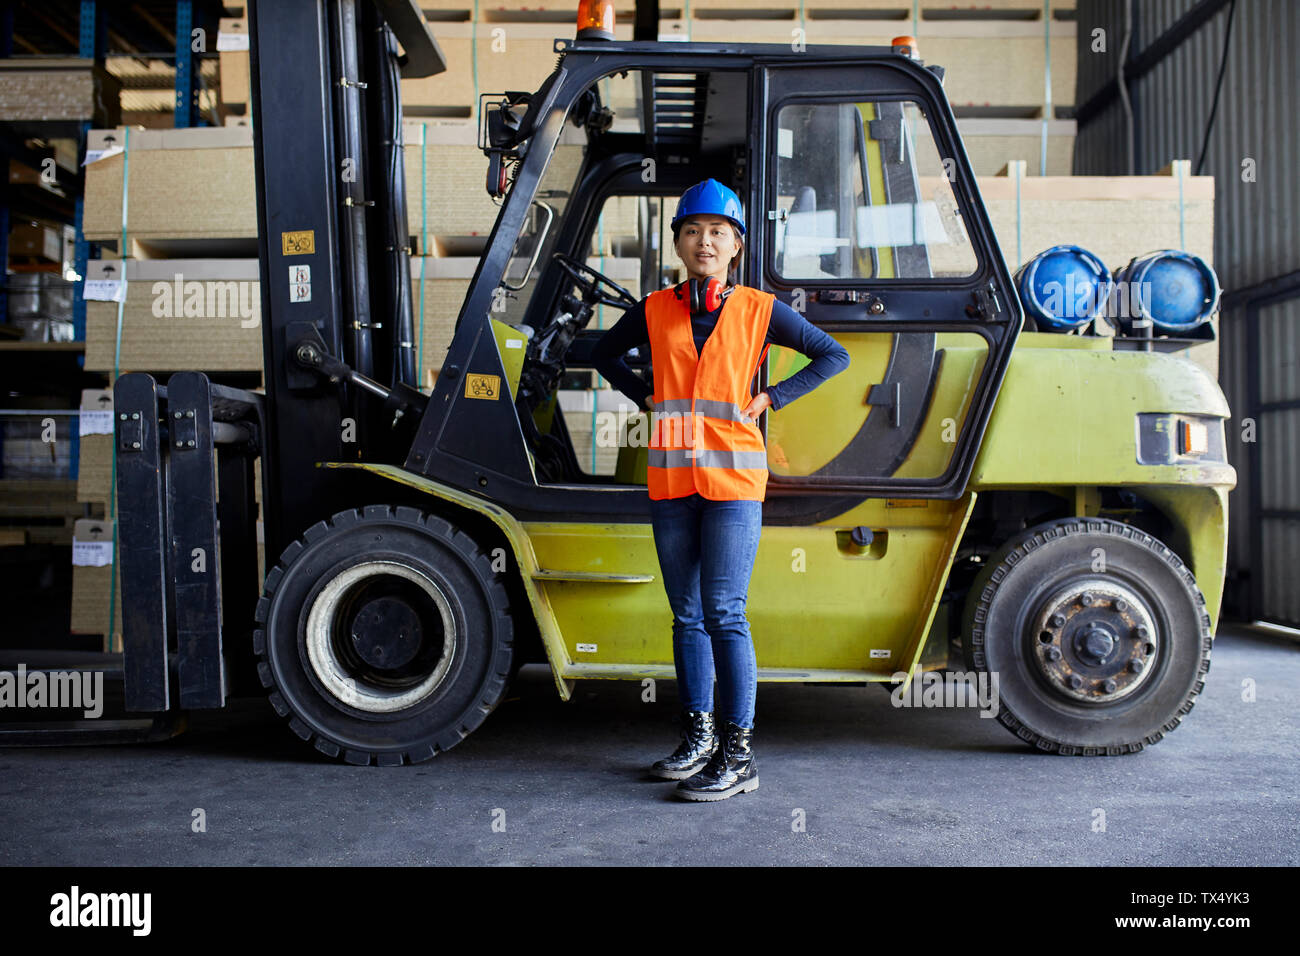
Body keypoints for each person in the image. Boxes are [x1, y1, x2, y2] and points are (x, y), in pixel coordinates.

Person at [591, 178, 850, 801]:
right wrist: (644, 396)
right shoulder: (655, 308)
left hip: (734, 480)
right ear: (678, 242)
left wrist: (771, 397)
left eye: (717, 232)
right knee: (685, 615)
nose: (704, 241)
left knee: (724, 613)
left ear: (735, 244)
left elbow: (831, 354)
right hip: (673, 479)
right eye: (692, 231)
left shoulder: (760, 308)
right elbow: (603, 353)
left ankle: (740, 755)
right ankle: (698, 739)